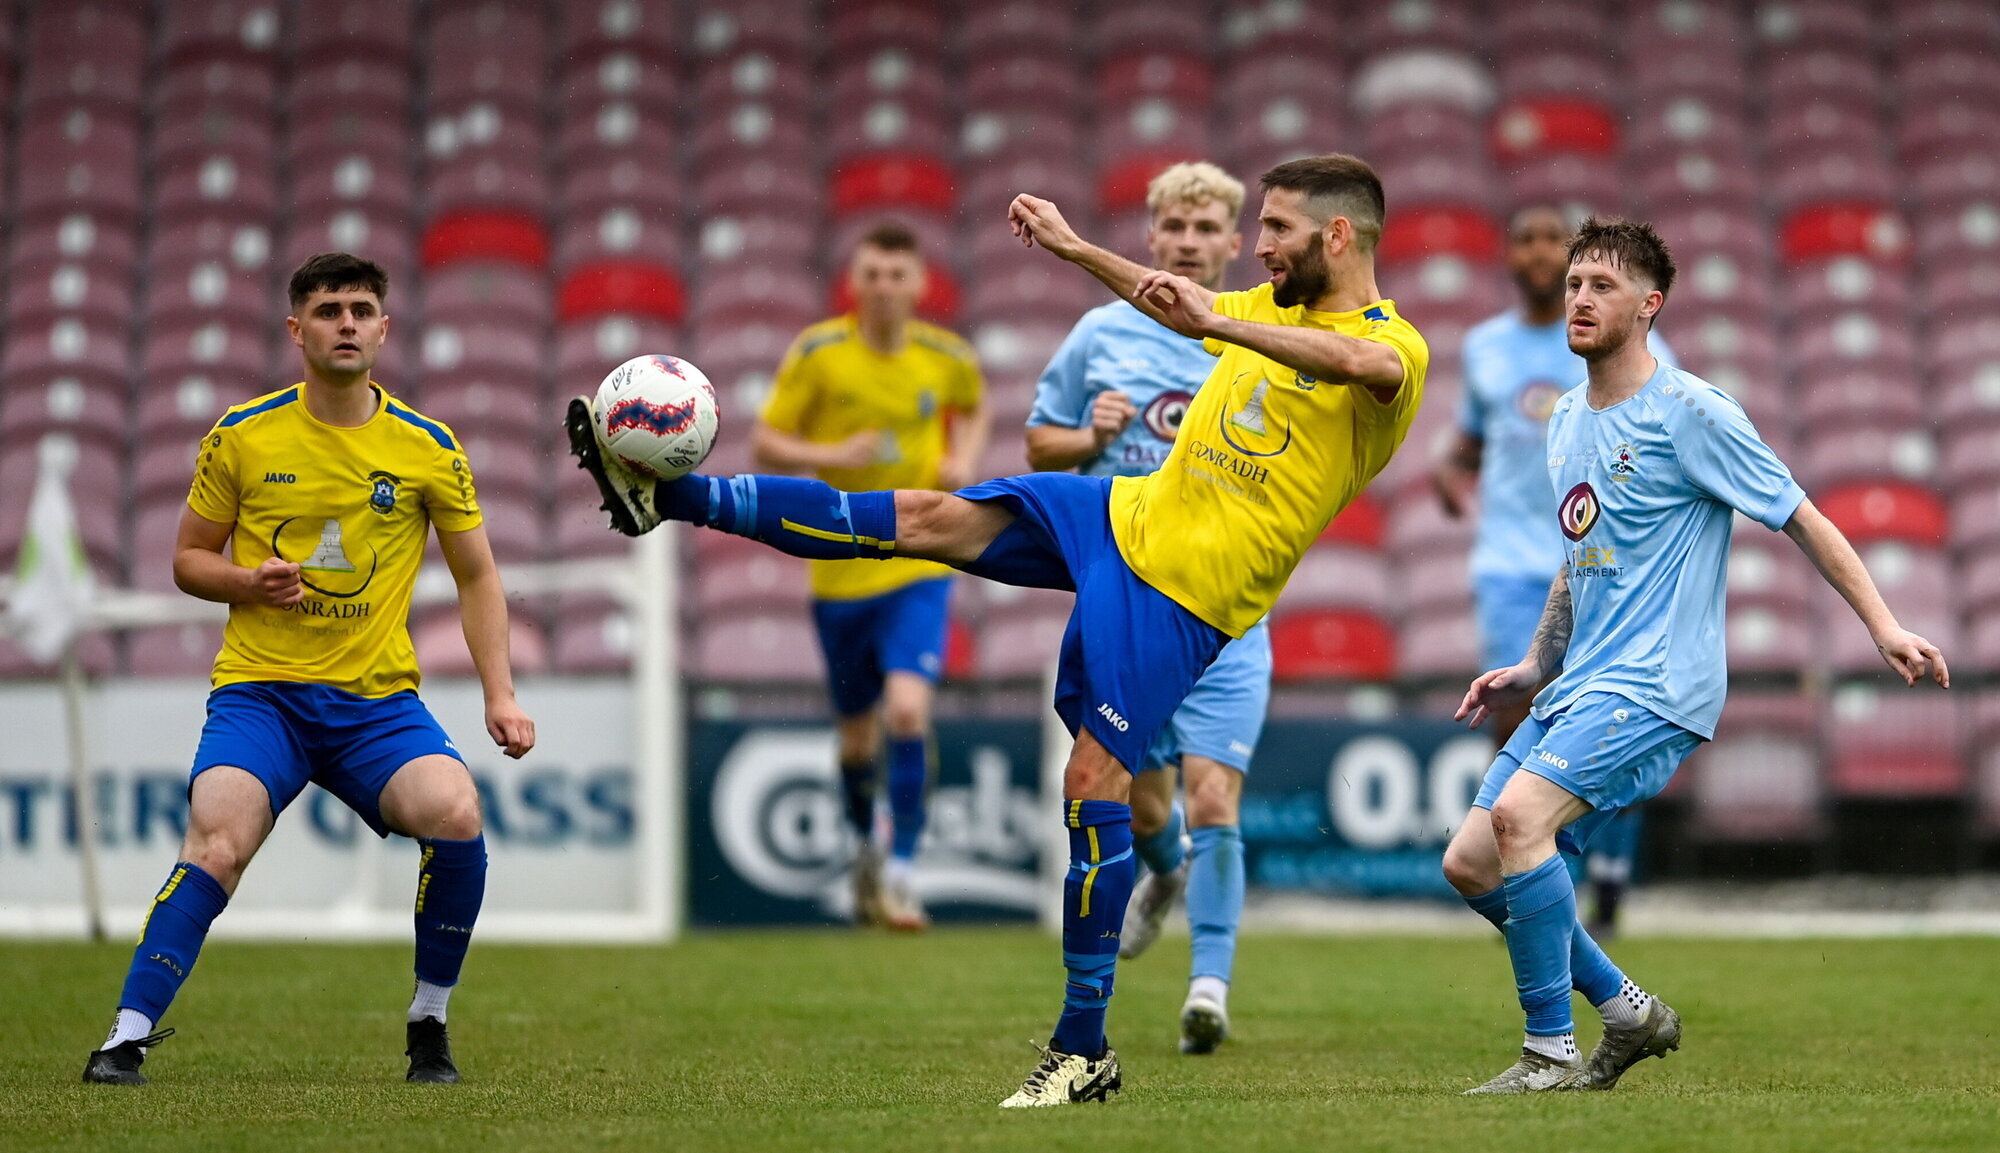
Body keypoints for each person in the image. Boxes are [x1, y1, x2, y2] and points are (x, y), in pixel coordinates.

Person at [566, 154, 1426, 1107]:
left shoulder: (1394, 348)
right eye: (1257, 228)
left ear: (1338, 236)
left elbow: (1364, 363)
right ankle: (674, 496)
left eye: (1277, 230)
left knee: (1093, 780)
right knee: (928, 518)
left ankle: (1083, 1046)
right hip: (1122, 513)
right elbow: (1171, 291)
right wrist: (1070, 246)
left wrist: (1220, 323)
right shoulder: (1273, 308)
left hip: (1189, 585)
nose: (1259, 247)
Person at [1442, 218, 1948, 1095]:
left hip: (1657, 686)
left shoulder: (1693, 411)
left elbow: (1802, 515)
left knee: (1521, 823)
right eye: (1573, 284)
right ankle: (1628, 1011)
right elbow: (1578, 558)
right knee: (1470, 859)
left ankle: (1548, 1052)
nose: (1580, 298)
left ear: (1650, 305)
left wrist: (1884, 626)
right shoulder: (1564, 418)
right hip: (1583, 681)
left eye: (1602, 285)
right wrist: (1534, 665)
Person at [81, 253, 536, 1086]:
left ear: (385, 328)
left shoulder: (429, 448)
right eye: (328, 310)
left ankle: (428, 1024)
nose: (348, 323)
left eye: (363, 309)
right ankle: (125, 1034)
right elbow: (186, 559)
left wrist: (499, 693)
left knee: (457, 810)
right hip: (263, 695)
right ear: (297, 329)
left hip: (375, 703)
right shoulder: (244, 433)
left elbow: (478, 575)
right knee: (219, 837)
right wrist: (247, 581)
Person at [1023, 161, 1268, 1056]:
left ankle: (1208, 988)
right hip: (1132, 598)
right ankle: (1162, 876)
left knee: (1215, 797)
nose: (1193, 243)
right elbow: (1039, 441)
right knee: (1152, 809)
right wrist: (1089, 436)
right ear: (1154, 234)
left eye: (1210, 229)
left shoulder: (1252, 333)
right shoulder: (1100, 332)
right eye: (1177, 228)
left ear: (1234, 242)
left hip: (1229, 603)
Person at [1434, 205, 1675, 935]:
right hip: (1512, 561)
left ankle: (1607, 870)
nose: (1540, 254)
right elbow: (1471, 441)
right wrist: (1449, 472)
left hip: (1605, 564)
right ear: (1510, 255)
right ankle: (1539, 860)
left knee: (1608, 714)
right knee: (1515, 711)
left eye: (1552, 240)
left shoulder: (1626, 340)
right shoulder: (1484, 348)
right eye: (1527, 239)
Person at [751, 222, 989, 930]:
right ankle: (863, 848)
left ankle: (905, 870)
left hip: (918, 558)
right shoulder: (820, 353)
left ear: (920, 284)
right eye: (873, 275)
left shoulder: (947, 357)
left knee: (910, 711)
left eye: (898, 275)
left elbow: (975, 407)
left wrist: (962, 459)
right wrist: (833, 448)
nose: (885, 287)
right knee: (857, 738)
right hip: (839, 570)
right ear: (854, 283)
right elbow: (765, 439)